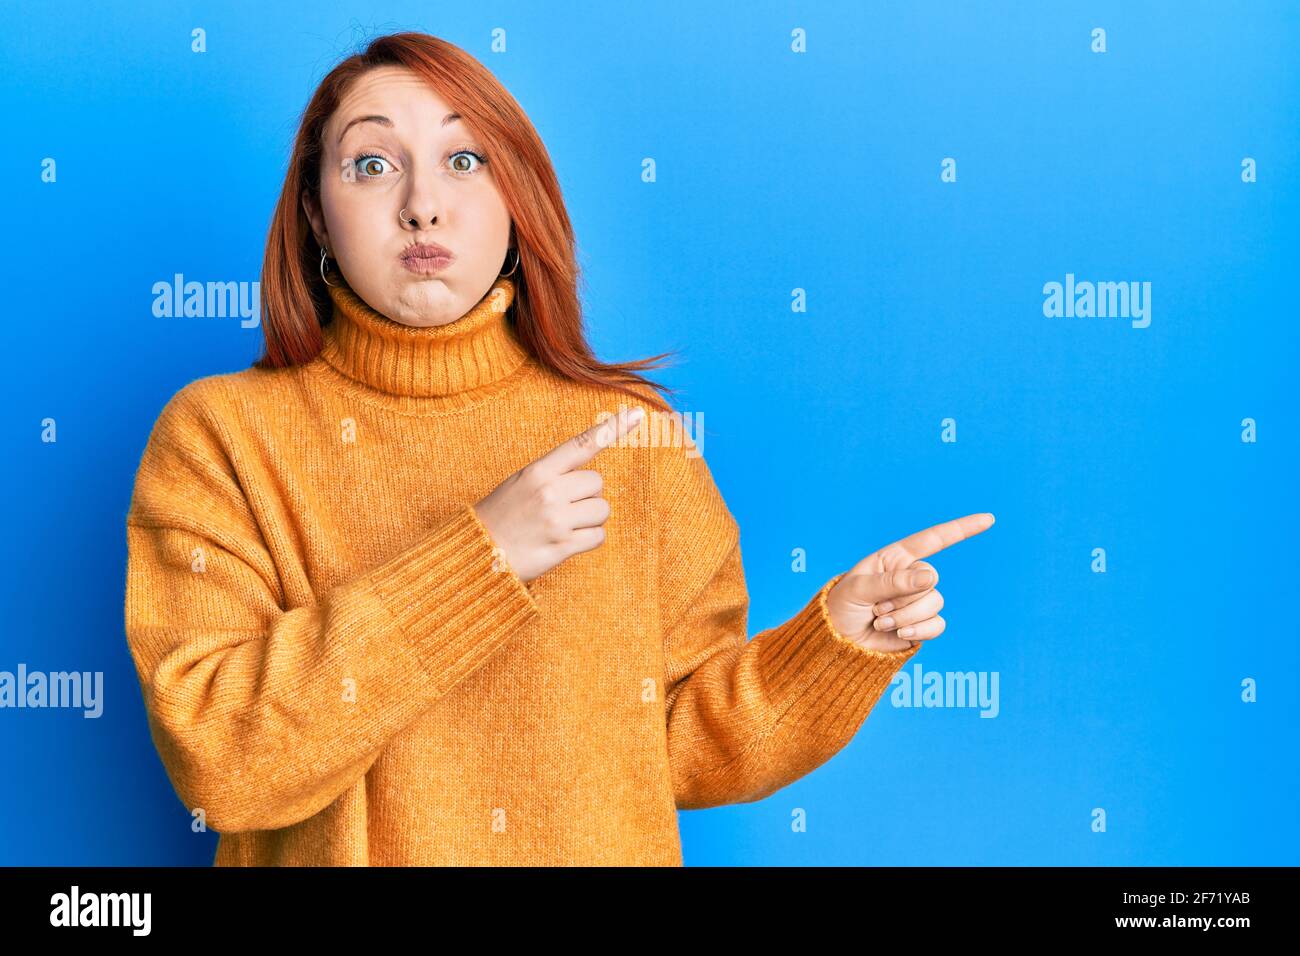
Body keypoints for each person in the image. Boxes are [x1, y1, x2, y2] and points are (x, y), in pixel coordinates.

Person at [123, 31, 993, 866]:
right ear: (315, 210)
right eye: (372, 163)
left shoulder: (632, 437)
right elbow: (223, 766)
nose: (421, 201)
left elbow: (682, 749)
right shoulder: (221, 435)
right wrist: (483, 560)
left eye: (465, 160)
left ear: (516, 198)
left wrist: (832, 642)